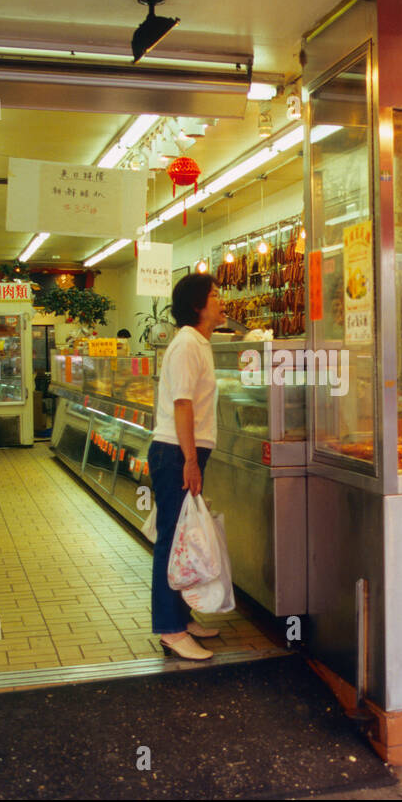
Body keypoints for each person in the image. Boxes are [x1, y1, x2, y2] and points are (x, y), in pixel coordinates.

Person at [148, 272, 224, 661]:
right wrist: (190, 460)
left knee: (183, 537)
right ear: (197, 304)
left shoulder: (200, 343)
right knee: (171, 542)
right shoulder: (186, 345)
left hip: (186, 451)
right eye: (215, 295)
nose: (221, 300)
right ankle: (170, 630)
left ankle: (182, 615)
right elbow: (182, 404)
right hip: (175, 453)